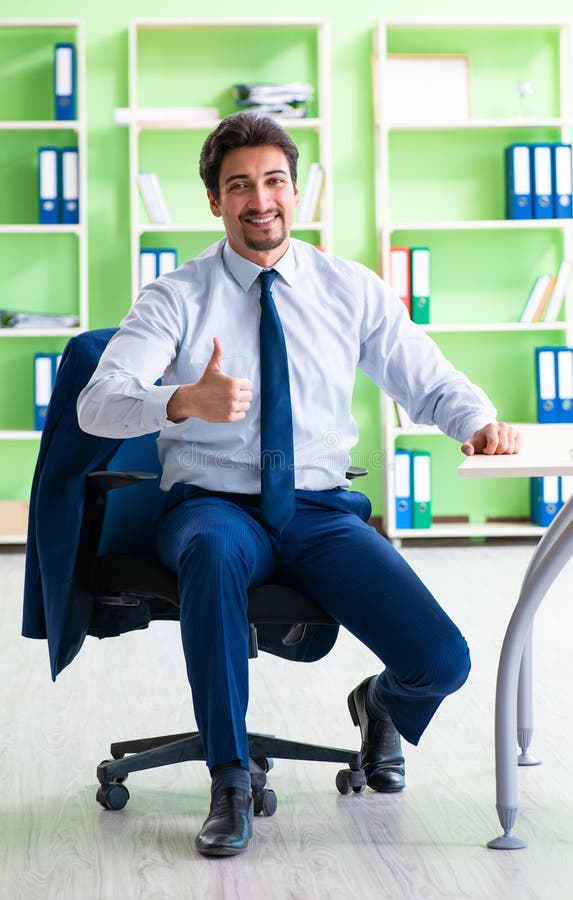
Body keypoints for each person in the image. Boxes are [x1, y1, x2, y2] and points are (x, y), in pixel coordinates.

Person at [77, 111, 520, 857]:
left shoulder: (349, 288)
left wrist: (476, 421)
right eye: (239, 185)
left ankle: (379, 704)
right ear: (214, 202)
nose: (260, 200)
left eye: (274, 181)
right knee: (213, 554)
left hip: (317, 509)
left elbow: (427, 378)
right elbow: (98, 402)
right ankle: (229, 782)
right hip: (213, 506)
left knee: (440, 661)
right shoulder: (175, 297)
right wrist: (182, 400)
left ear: (296, 189)